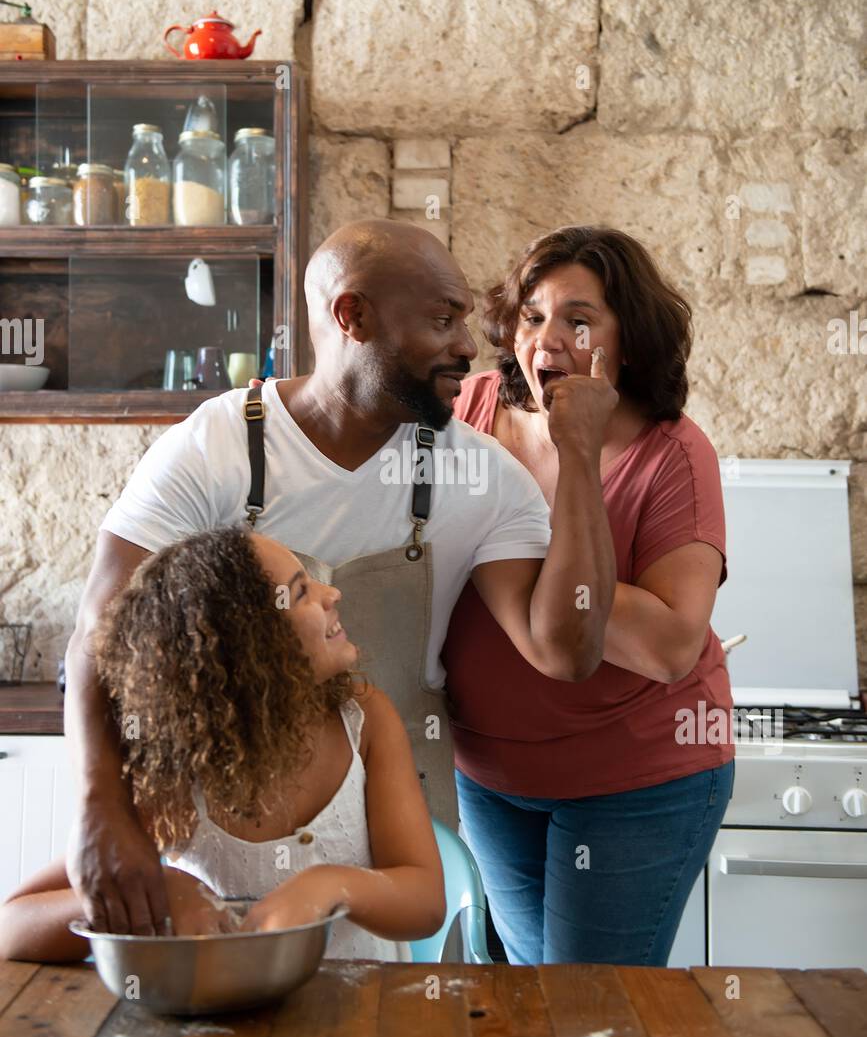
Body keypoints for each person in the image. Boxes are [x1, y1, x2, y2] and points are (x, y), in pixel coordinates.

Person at [63, 218, 618, 938]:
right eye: (442, 318)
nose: (467, 345)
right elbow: (99, 637)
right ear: (350, 315)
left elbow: (566, 651)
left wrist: (579, 457)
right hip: (222, 823)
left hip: (401, 855)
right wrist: (97, 804)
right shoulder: (216, 448)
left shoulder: (479, 474)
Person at [441, 225, 735, 965]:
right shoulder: (468, 411)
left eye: (578, 320)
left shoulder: (672, 454)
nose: (547, 341)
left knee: (589, 1016)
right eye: (531, 316)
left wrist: (522, 536)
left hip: (635, 784)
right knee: (532, 1003)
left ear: (626, 341)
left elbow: (669, 647)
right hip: (489, 778)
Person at [0, 526, 447, 962]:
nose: (332, 595)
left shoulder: (363, 721)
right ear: (247, 649)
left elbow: (425, 904)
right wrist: (162, 893)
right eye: (301, 592)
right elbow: (12, 927)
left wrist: (329, 886)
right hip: (221, 1020)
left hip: (366, 1012)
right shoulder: (179, 769)